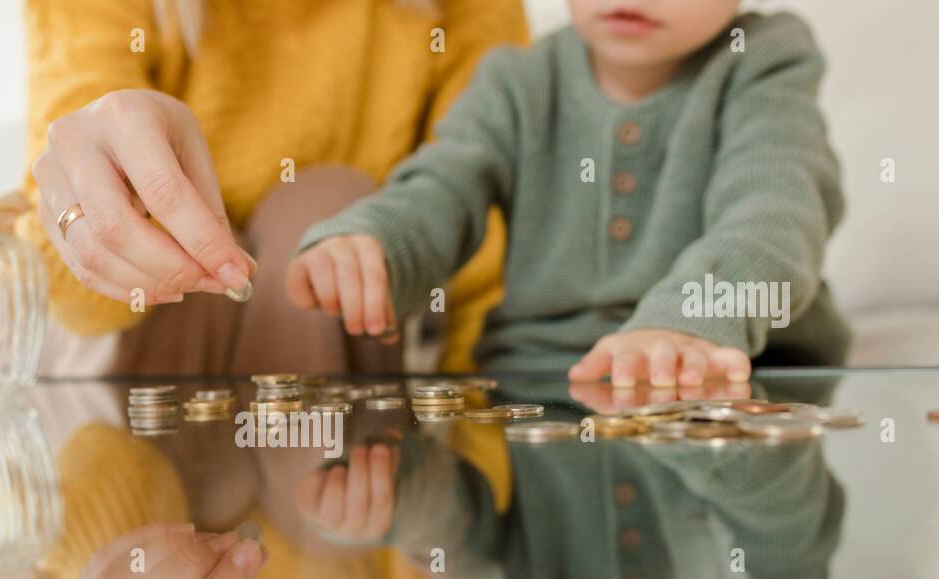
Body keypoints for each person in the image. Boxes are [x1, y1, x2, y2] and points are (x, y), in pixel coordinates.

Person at [289, 0, 851, 385]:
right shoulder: (515, 81)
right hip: (542, 384)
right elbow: (441, 188)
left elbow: (774, 212)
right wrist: (375, 243)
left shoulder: (765, 59)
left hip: (746, 371)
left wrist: (688, 320)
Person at [24, 0, 531, 375]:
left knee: (324, 207)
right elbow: (76, 291)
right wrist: (96, 197)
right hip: (141, 352)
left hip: (351, 357)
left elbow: (483, 220)